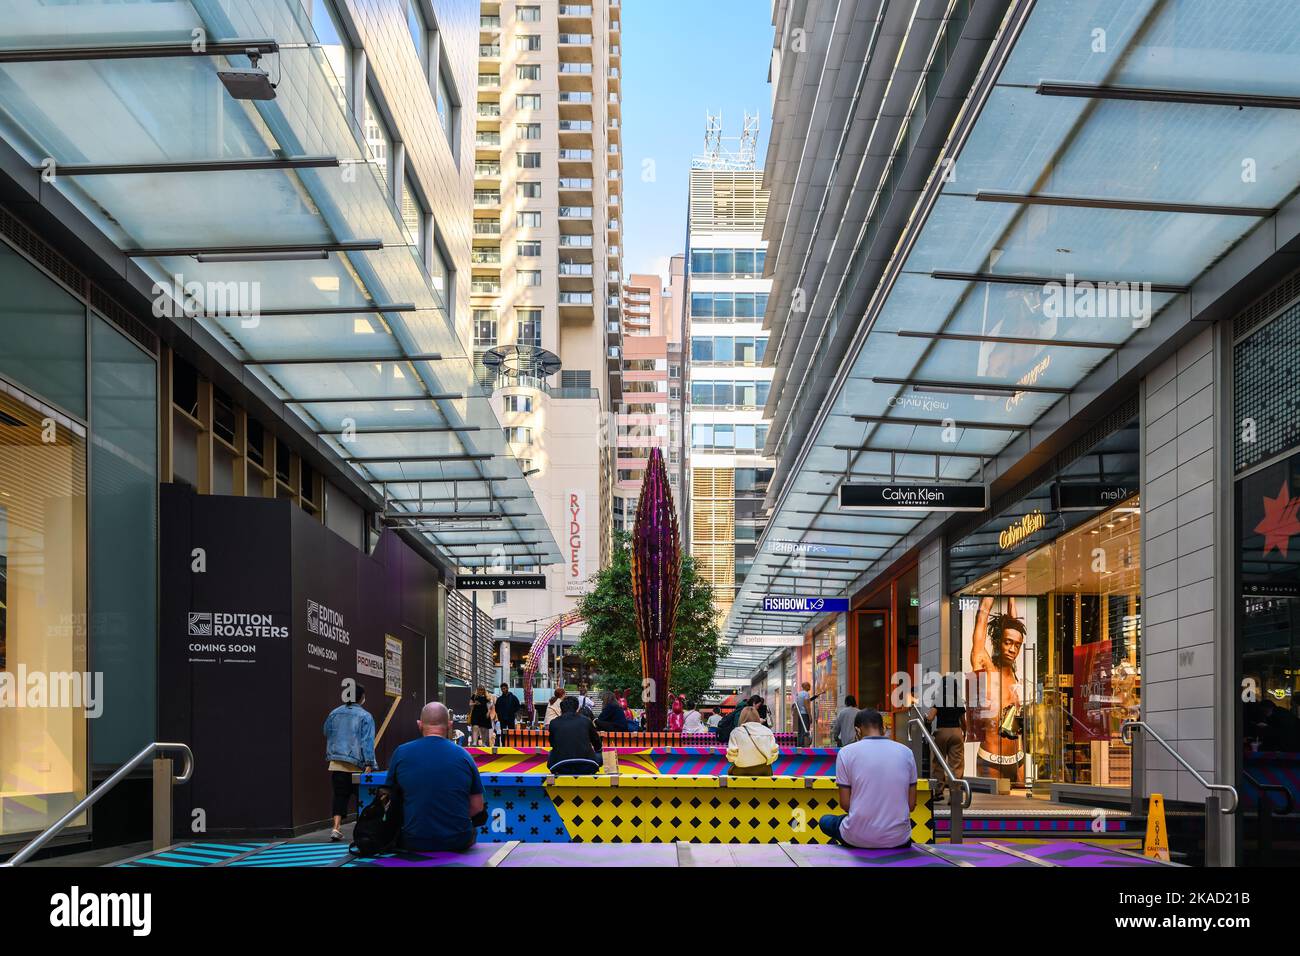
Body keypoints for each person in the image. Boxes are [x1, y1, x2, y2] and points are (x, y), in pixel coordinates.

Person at [382, 702, 486, 853]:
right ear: (450, 725)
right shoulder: (464, 756)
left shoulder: (401, 753)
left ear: (420, 724)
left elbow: (388, 798)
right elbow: (477, 806)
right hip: (457, 840)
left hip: (413, 839)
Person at [818, 709, 917, 849]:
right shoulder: (907, 753)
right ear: (884, 728)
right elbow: (911, 804)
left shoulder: (846, 753)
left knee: (825, 821)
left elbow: (845, 804)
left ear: (857, 731)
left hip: (857, 837)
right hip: (898, 838)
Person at [969, 596, 1028, 783]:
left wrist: (1012, 596)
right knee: (993, 809)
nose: (1012, 649)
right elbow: (981, 622)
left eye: (1017, 645)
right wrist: (989, 593)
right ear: (997, 641)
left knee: (1022, 810)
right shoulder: (986, 667)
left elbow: (1014, 626)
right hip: (991, 760)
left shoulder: (1013, 671)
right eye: (1007, 643)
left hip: (1017, 759)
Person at [323, 685, 377, 841]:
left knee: (339, 796)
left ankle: (335, 828)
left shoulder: (334, 713)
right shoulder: (365, 716)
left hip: (337, 762)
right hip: (357, 764)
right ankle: (364, 830)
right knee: (363, 798)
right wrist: (369, 763)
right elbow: (367, 741)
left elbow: (326, 731)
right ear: (361, 698)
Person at [927, 676, 967, 801]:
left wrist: (926, 718)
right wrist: (964, 732)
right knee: (956, 764)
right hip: (956, 732)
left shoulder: (939, 699)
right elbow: (963, 721)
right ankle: (955, 794)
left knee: (938, 762)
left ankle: (938, 792)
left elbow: (930, 717)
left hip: (941, 732)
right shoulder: (958, 700)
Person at [547, 696, 603, 772]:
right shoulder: (586, 721)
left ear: (561, 709)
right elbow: (597, 743)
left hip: (560, 766)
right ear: (577, 708)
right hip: (587, 765)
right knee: (599, 755)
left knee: (551, 753)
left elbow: (552, 744)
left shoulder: (554, 723)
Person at [726, 706, 780, 776]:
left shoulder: (736, 732)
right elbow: (774, 753)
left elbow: (731, 755)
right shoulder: (768, 731)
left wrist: (739, 761)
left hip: (741, 770)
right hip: (764, 771)